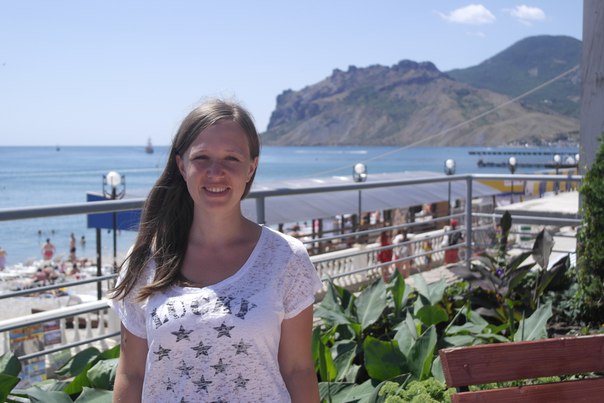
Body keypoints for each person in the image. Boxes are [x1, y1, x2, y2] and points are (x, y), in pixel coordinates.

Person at [108, 99, 322, 402]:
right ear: (182, 166)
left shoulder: (285, 258)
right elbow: (132, 374)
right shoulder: (145, 260)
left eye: (231, 158)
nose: (216, 172)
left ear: (251, 167)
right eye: (202, 157)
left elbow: (298, 370)